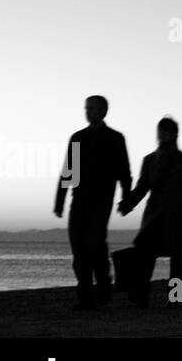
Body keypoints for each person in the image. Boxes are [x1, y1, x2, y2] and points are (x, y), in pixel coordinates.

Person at [53, 95, 132, 310]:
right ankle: (86, 297)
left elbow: (124, 170)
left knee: (95, 245)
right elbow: (68, 171)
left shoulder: (115, 138)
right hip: (79, 201)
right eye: (86, 108)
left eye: (93, 108)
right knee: (80, 251)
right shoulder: (78, 138)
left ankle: (104, 290)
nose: (88, 112)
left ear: (104, 111)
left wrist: (126, 198)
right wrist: (59, 201)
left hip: (102, 201)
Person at [119, 116, 182, 308]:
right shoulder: (150, 160)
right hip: (154, 217)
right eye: (160, 131)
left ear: (174, 134)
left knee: (177, 262)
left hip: (177, 217)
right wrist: (128, 204)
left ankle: (174, 299)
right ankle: (142, 296)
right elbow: (142, 187)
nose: (161, 135)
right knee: (144, 256)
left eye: (165, 131)